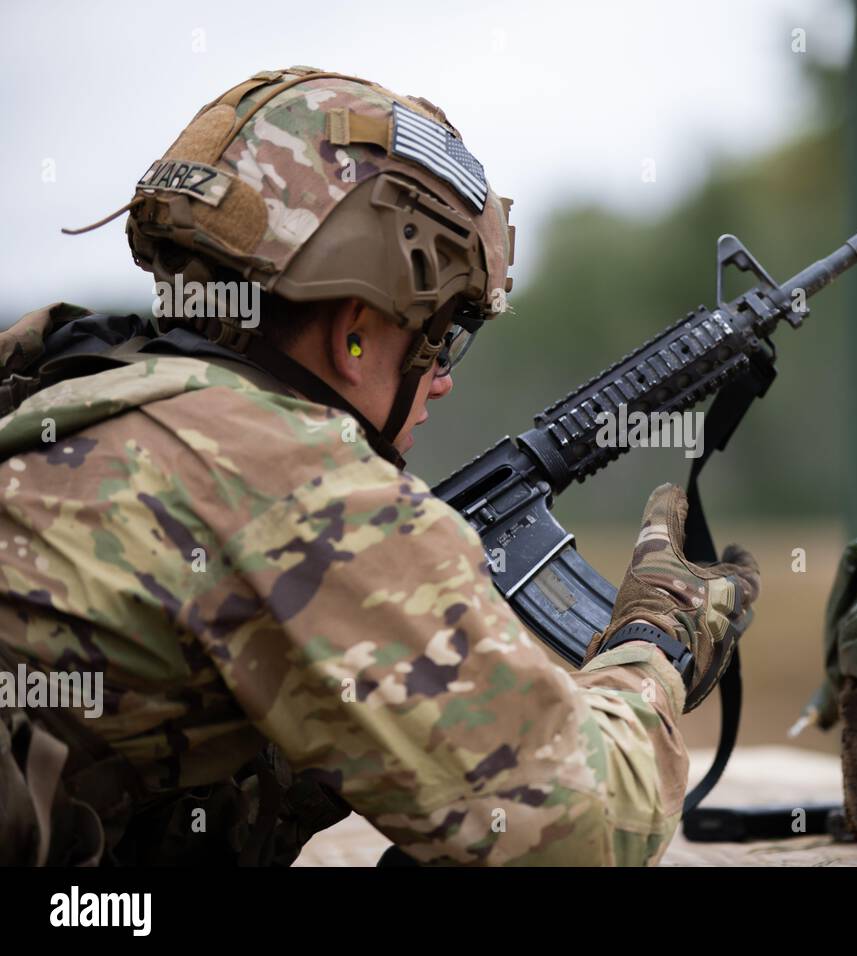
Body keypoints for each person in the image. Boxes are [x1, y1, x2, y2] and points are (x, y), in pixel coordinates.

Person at [0, 67, 759, 866]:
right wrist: (654, 644)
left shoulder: (62, 386)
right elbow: (582, 829)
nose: (443, 377)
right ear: (354, 330)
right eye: (443, 333)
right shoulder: (282, 474)